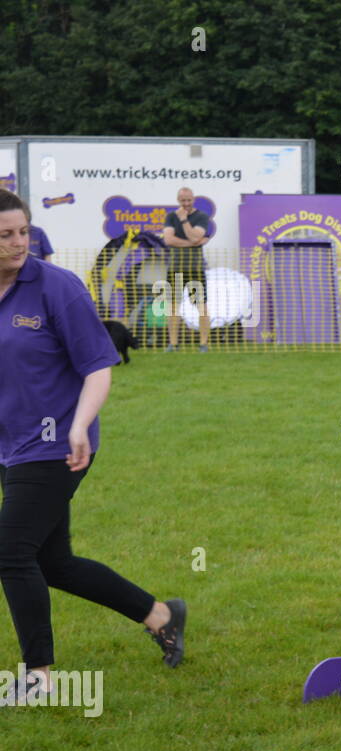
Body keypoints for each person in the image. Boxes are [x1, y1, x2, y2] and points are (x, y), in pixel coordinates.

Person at [0, 189, 187, 704]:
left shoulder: (56, 287)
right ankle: (161, 615)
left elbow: (99, 365)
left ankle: (39, 677)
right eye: (6, 235)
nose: (19, 244)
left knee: (11, 553)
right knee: (53, 562)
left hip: (59, 441)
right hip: (11, 444)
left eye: (23, 232)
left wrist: (81, 424)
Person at [161, 187, 211, 352]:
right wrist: (192, 243)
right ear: (178, 200)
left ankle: (204, 344)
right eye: (183, 200)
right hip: (175, 268)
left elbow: (196, 235)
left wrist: (184, 221)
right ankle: (173, 344)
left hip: (195, 268)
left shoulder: (202, 217)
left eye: (189, 200)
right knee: (173, 306)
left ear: (193, 199)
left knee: (201, 305)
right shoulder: (170, 216)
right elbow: (168, 239)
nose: (186, 203)